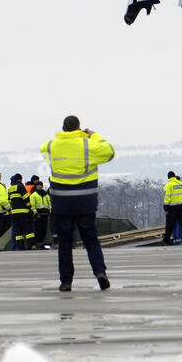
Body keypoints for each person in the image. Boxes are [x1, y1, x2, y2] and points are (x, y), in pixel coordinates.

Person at [41, 115, 115, 291]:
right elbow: (110, 151)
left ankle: (66, 282)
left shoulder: (52, 146)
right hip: (85, 203)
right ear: (79, 128)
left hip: (61, 204)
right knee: (91, 240)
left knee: (65, 244)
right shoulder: (88, 145)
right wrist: (93, 135)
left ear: (63, 128)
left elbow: (45, 150)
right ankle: (99, 273)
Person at [162, 171, 182, 245]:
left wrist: (166, 208)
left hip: (172, 208)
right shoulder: (181, 184)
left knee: (169, 225)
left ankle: (166, 240)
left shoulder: (168, 185)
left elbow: (167, 198)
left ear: (168, 177)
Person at [8, 173, 32, 251]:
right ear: (21, 179)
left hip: (14, 213)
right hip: (23, 212)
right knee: (28, 230)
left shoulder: (10, 189)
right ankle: (30, 245)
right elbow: (26, 198)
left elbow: (9, 201)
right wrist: (29, 207)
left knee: (18, 232)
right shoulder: (21, 186)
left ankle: (19, 246)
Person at [29, 176, 51, 250]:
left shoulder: (46, 195)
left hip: (45, 214)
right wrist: (35, 213)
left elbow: (49, 203)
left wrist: (50, 211)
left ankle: (42, 243)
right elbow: (32, 205)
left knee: (44, 230)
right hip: (38, 215)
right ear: (36, 186)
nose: (39, 186)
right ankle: (38, 243)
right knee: (38, 230)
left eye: (40, 185)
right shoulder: (33, 195)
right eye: (38, 185)